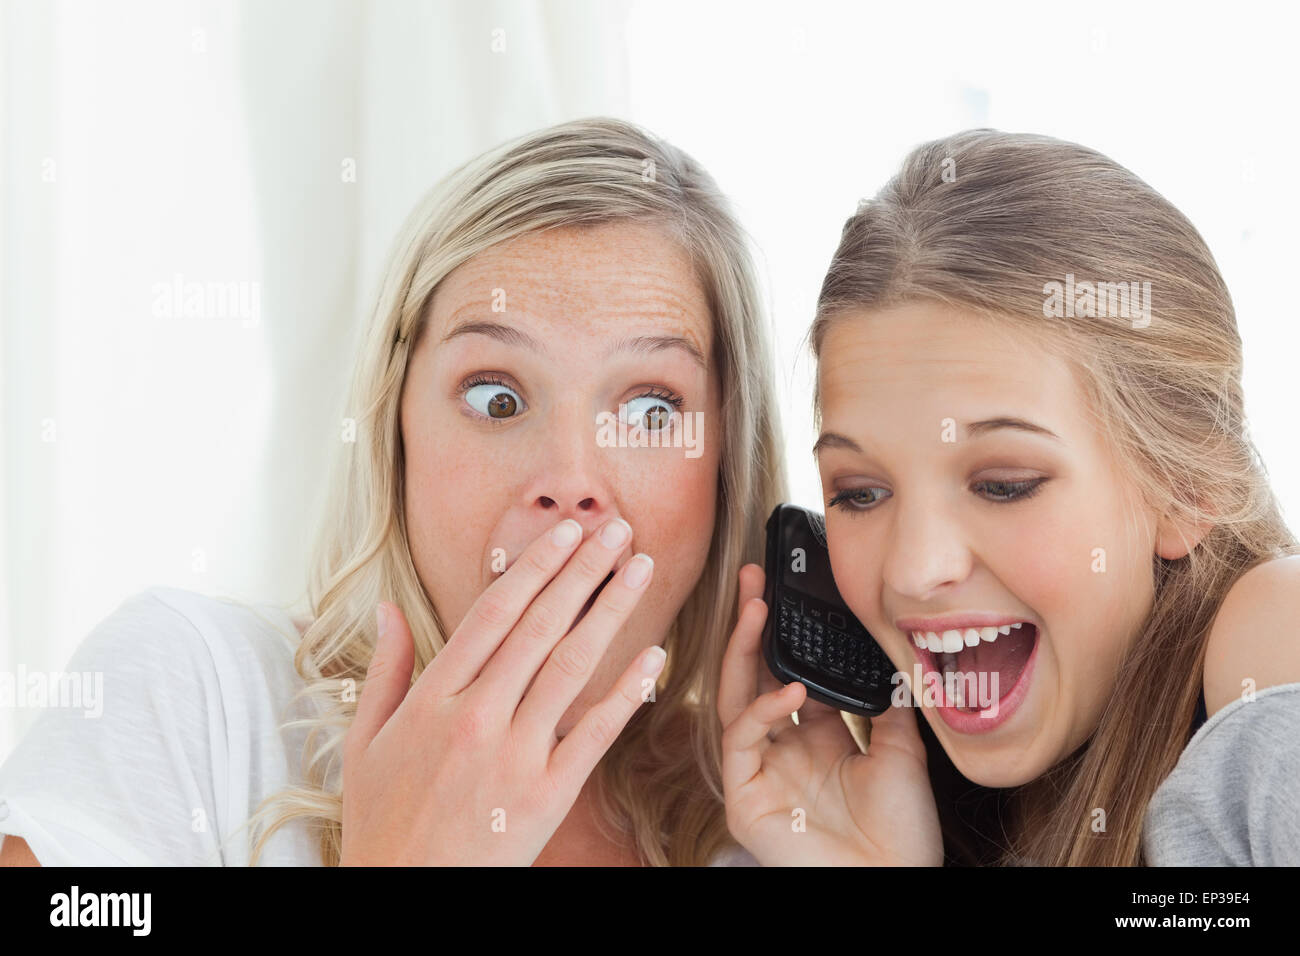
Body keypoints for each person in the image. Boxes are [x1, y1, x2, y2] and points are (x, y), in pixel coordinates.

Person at [0, 117, 785, 866]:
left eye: (652, 410)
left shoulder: (780, 827)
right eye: (496, 398)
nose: (571, 483)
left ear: (726, 464)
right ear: (393, 431)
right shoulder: (196, 698)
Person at [718, 129, 1300, 866]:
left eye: (1003, 485)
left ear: (1186, 489)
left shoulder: (1276, 638)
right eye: (862, 494)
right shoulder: (862, 805)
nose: (914, 569)